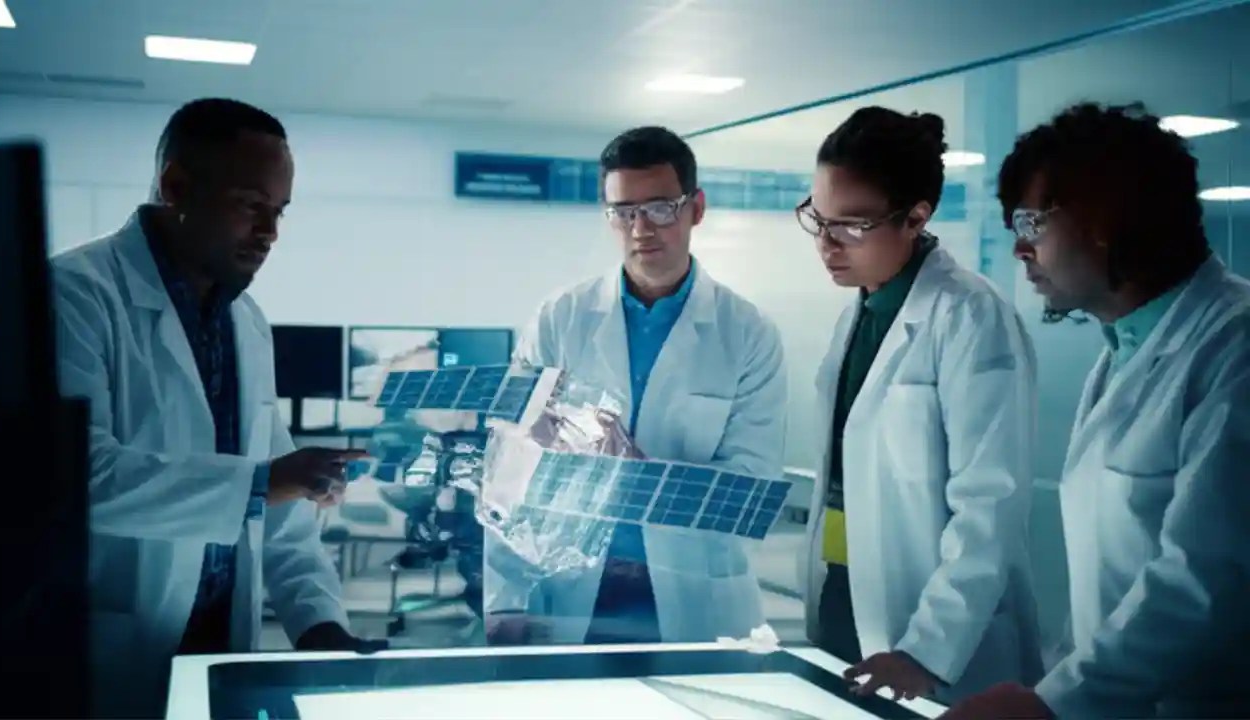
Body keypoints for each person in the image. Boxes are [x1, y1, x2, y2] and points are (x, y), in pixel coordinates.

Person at [52, 98, 380, 718]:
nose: (270, 233)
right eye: (251, 206)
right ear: (177, 185)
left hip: (221, 646)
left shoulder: (245, 320)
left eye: (279, 212)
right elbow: (74, 476)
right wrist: (261, 484)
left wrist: (319, 626)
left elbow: (281, 513)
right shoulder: (75, 295)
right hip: (115, 640)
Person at [941, 103, 1250, 719]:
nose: (1022, 249)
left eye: (1032, 221)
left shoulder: (1235, 349)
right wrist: (1055, 686)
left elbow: (1206, 580)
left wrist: (1051, 704)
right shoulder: (1124, 349)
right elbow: (1104, 587)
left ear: (1104, 215)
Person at [485, 126, 788, 644]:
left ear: (696, 209)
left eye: (660, 208)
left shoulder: (747, 333)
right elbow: (509, 466)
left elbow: (751, 487)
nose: (641, 228)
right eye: (623, 212)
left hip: (694, 593)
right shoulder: (562, 318)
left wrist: (633, 478)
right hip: (570, 585)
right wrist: (505, 598)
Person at [797, 107, 1044, 703]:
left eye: (851, 225)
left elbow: (990, 504)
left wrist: (926, 650)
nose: (827, 244)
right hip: (844, 596)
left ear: (916, 217)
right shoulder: (860, 310)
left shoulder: (970, 316)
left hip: (935, 639)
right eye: (817, 219)